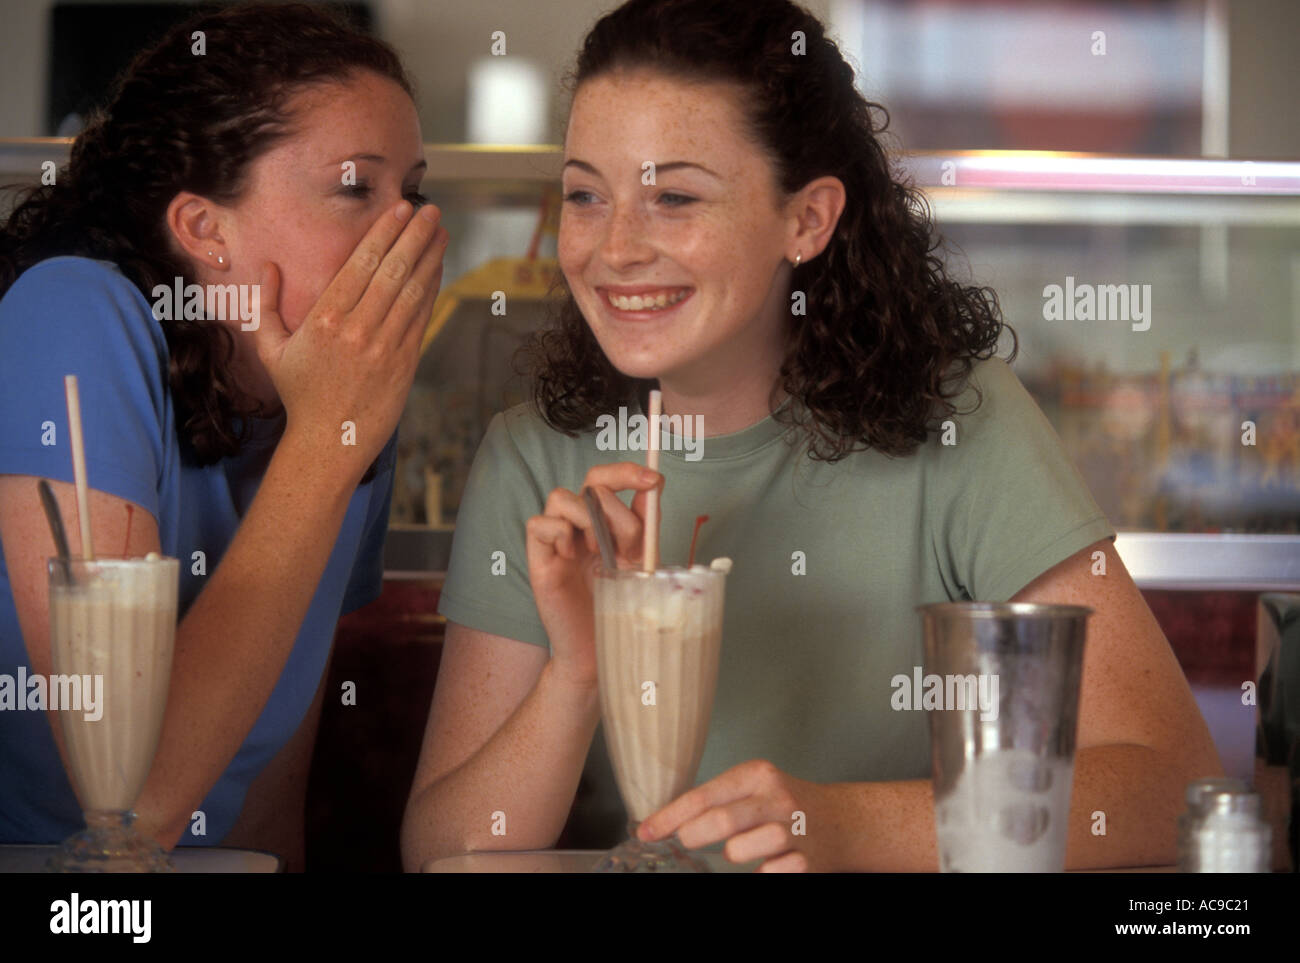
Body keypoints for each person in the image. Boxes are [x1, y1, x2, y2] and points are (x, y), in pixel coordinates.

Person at [401, 0, 1221, 872]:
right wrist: (574, 674)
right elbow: (442, 848)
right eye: (584, 195)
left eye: (673, 196)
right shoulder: (537, 454)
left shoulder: (960, 422)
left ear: (808, 220)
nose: (615, 248)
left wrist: (851, 828)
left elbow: (1173, 781)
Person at [0, 4, 448, 871]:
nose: (415, 229)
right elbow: (130, 805)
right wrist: (327, 441)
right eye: (357, 186)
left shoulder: (348, 400)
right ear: (205, 229)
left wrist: (334, 431)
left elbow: (270, 777)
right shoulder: (72, 317)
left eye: (414, 191)